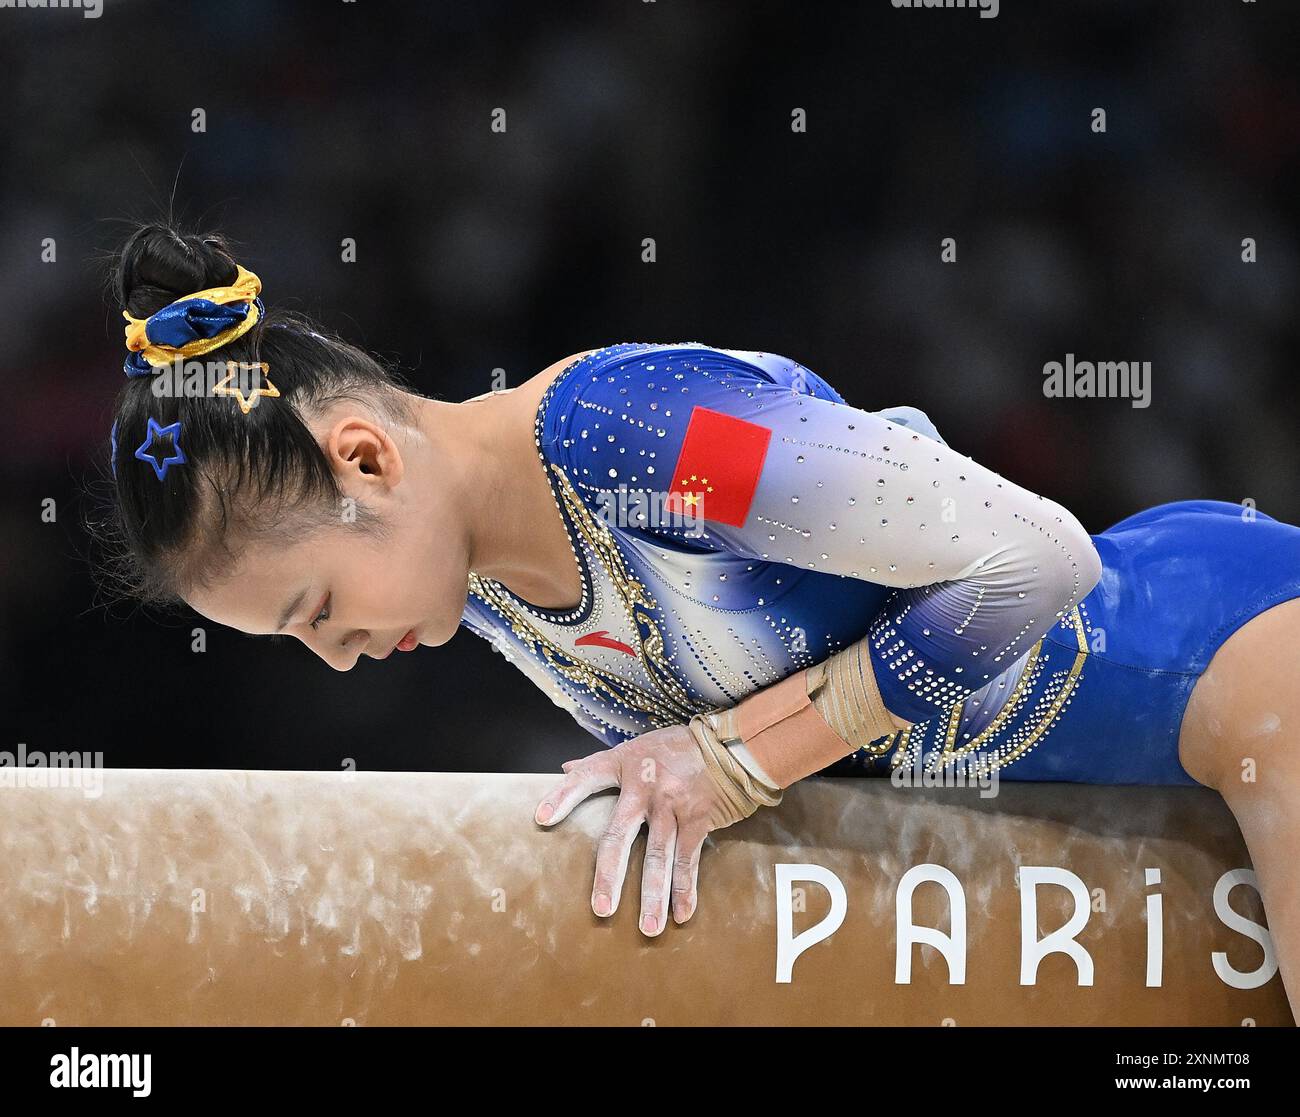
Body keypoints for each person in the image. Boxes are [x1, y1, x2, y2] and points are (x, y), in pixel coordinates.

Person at [100, 224, 1300, 1013]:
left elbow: (1035, 558)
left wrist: (736, 761)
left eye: (316, 611)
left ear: (362, 459)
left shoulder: (635, 434)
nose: (339, 660)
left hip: (1227, 668)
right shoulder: (486, 584)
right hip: (1100, 799)